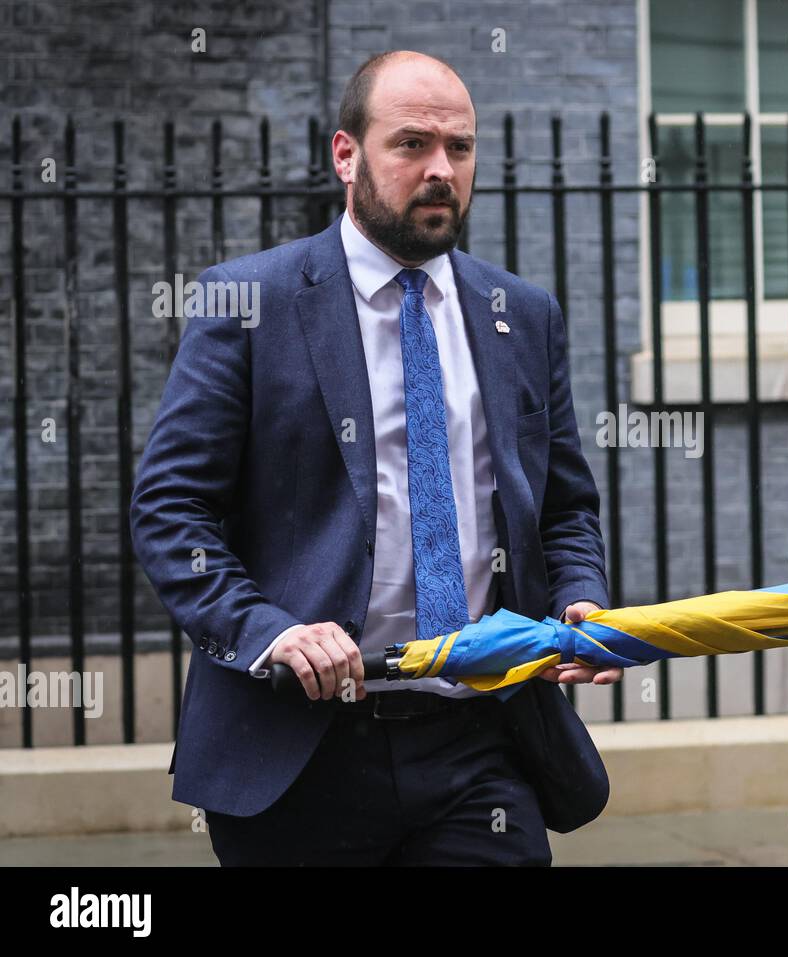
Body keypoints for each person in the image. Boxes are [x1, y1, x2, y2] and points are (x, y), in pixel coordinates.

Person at [129, 50, 621, 866]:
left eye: (459, 148)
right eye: (412, 145)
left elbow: (565, 504)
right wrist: (269, 632)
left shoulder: (521, 315)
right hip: (300, 749)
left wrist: (578, 597)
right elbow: (170, 512)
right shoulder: (249, 303)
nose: (440, 170)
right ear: (346, 155)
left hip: (479, 743)